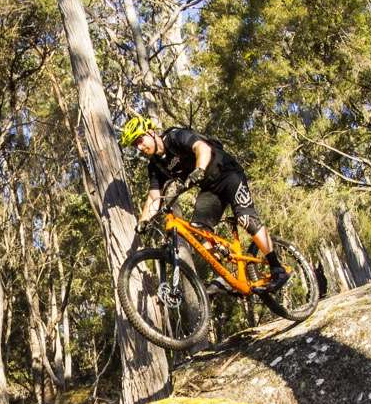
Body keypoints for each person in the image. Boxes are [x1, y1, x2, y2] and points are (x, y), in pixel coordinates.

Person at [120, 115, 288, 292]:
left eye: (140, 140)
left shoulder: (175, 137)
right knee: (199, 233)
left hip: (228, 174)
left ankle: (277, 268)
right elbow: (154, 197)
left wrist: (199, 169)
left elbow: (202, 148)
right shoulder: (154, 166)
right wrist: (144, 220)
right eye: (135, 145)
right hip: (209, 189)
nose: (140, 147)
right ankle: (226, 277)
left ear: (151, 132)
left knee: (246, 218)